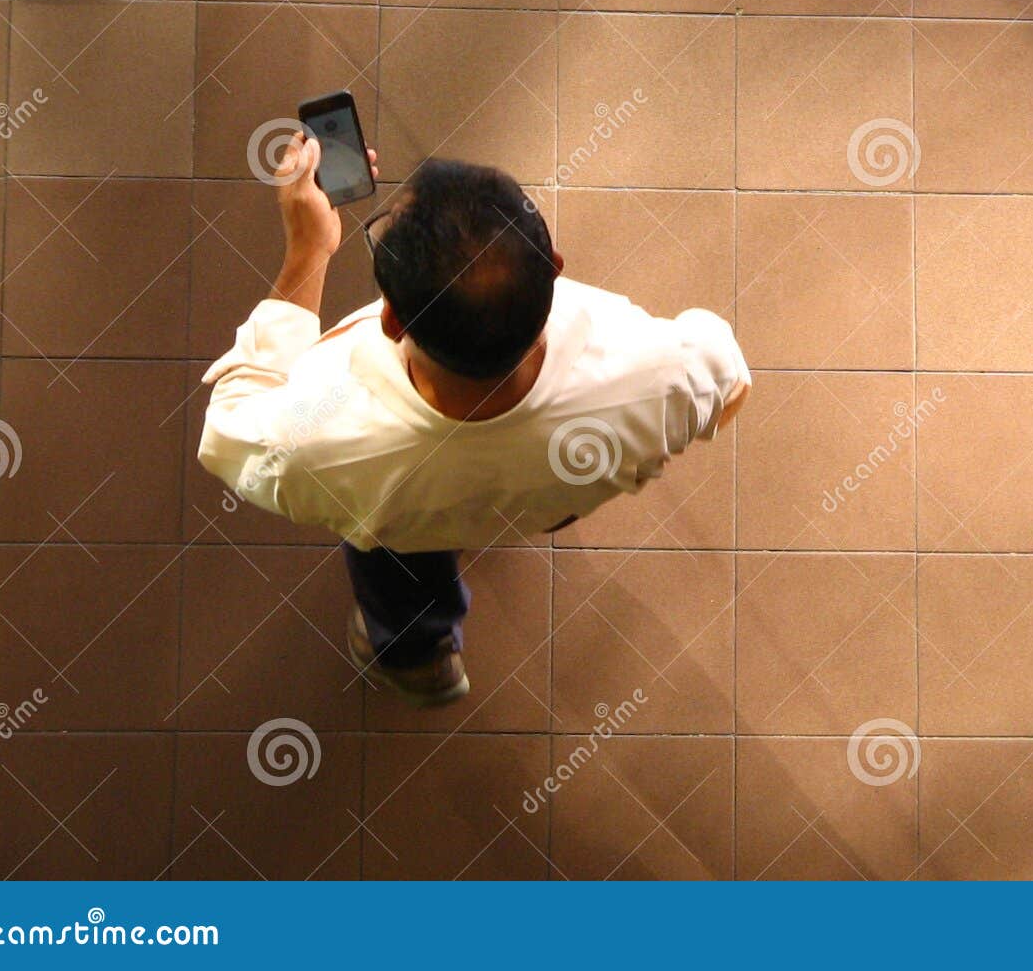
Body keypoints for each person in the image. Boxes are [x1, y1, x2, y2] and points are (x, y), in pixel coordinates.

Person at [197, 134, 750, 707]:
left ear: (393, 322)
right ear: (553, 268)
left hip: (403, 523)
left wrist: (308, 252)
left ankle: (418, 660)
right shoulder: (660, 371)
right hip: (552, 499)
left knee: (397, 578)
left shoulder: (316, 442)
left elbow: (230, 429)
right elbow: (728, 383)